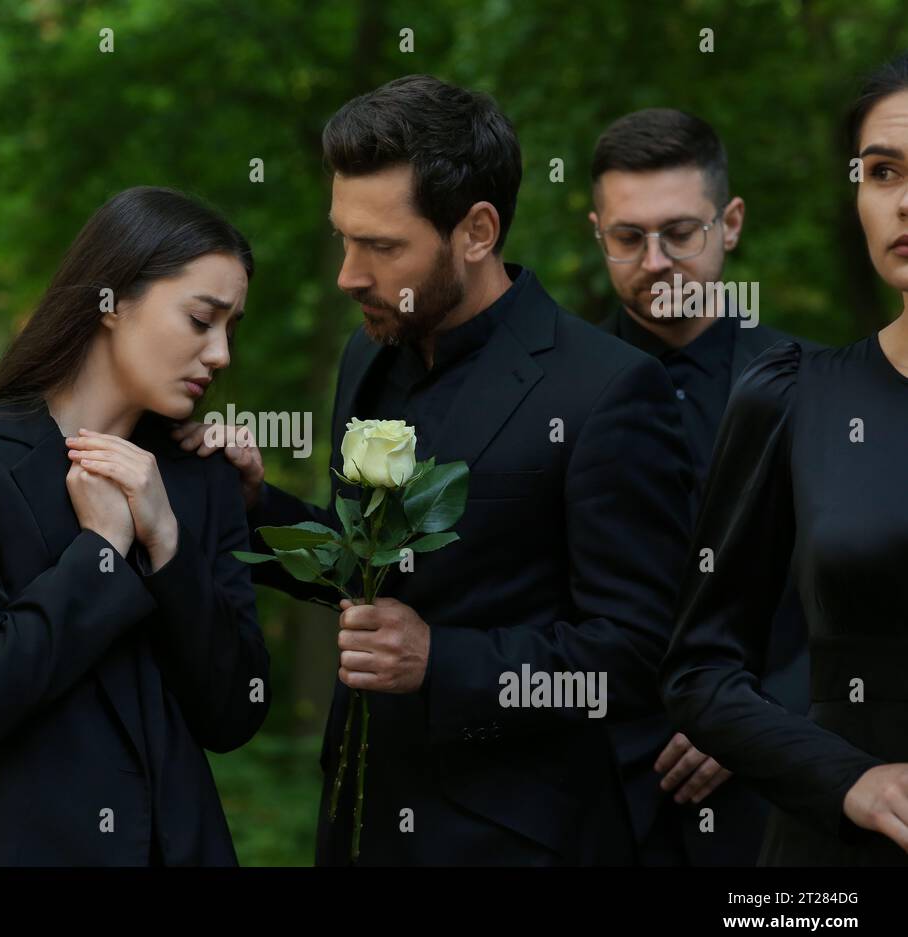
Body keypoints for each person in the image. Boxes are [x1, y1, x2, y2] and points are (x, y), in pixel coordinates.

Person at [175, 75, 694, 865]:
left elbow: (632, 662)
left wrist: (441, 661)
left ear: (477, 231)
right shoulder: (367, 352)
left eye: (382, 247)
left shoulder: (607, 390)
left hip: (515, 843)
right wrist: (255, 509)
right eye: (346, 237)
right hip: (357, 820)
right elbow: (370, 576)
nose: (349, 273)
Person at [0, 186, 270, 866]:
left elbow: (234, 712)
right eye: (202, 320)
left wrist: (168, 544)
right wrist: (100, 551)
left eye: (231, 329)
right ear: (112, 301)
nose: (221, 355)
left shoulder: (202, 476)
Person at [662, 53, 908, 865]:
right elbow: (701, 670)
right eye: (881, 172)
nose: (904, 201)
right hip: (832, 863)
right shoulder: (794, 397)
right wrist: (850, 780)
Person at [588, 108, 813, 865]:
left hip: (778, 796)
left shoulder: (818, 386)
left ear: (732, 223)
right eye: (628, 237)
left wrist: (753, 719)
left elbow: (863, 598)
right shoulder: (557, 387)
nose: (655, 261)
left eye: (681, 233)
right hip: (601, 800)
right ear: (598, 233)